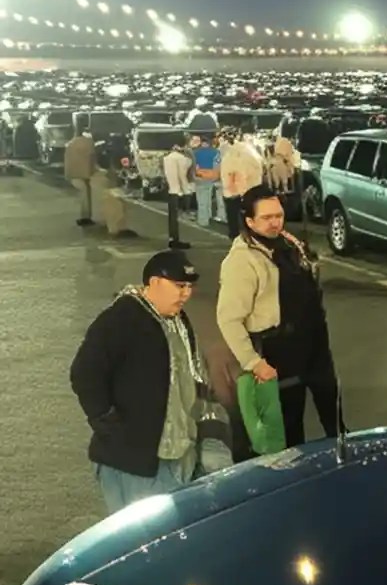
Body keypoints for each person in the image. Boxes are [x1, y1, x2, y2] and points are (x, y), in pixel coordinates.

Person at [70, 250, 208, 514]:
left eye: (189, 286)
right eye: (179, 286)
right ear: (155, 283)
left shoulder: (177, 320)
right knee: (142, 543)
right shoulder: (122, 319)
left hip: (178, 453)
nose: (186, 293)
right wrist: (108, 422)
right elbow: (84, 372)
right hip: (134, 465)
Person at [216, 185, 342, 448]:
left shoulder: (287, 242)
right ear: (249, 221)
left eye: (279, 215)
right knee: (289, 430)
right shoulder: (241, 262)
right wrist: (253, 362)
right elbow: (228, 318)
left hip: (314, 343)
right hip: (279, 350)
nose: (276, 223)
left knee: (334, 416)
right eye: (267, 218)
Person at [218, 128, 264, 241]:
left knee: (233, 213)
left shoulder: (231, 153)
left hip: (236, 189)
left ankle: (236, 235)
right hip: (250, 187)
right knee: (247, 212)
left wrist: (231, 189)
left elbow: (232, 172)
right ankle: (250, 234)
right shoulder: (250, 151)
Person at [163, 141, 193, 250]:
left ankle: (173, 238)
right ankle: (176, 240)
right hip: (180, 191)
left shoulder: (166, 158)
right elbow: (183, 176)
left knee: (172, 218)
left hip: (171, 190)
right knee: (180, 216)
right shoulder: (182, 158)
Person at [191, 134, 225, 228]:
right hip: (212, 177)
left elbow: (193, 166)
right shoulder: (216, 152)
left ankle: (203, 220)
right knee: (209, 197)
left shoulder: (195, 152)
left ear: (201, 142)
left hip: (200, 177)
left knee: (202, 200)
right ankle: (209, 216)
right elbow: (219, 164)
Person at [64, 131, 97, 227]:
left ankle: (85, 216)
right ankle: (86, 217)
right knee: (85, 194)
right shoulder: (88, 143)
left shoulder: (71, 143)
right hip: (82, 173)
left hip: (74, 173)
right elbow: (92, 158)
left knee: (84, 193)